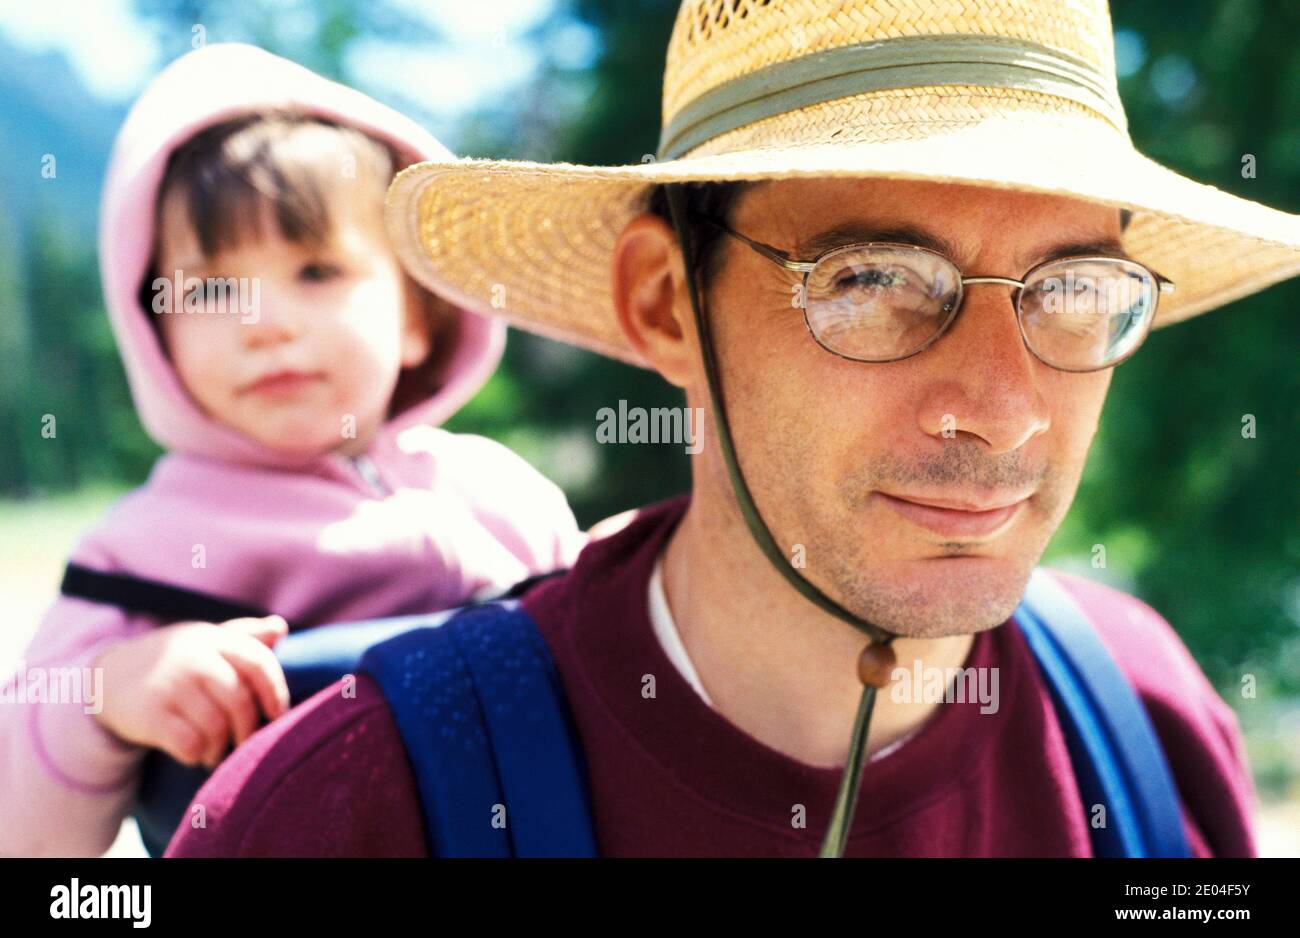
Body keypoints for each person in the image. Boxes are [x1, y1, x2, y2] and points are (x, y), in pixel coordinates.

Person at [168, 0, 1299, 857]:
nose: (1003, 411)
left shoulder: (1141, 719)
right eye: (874, 281)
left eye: (1072, 288)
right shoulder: (346, 809)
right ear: (664, 303)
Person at [0, 44, 584, 857]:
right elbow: (21, 835)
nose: (265, 323)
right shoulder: (138, 553)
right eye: (210, 290)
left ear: (419, 314)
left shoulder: (503, 496)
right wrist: (109, 695)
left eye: (316, 270)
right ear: (155, 331)